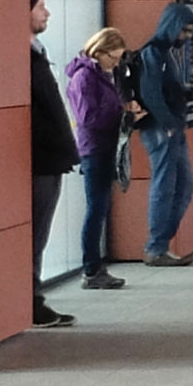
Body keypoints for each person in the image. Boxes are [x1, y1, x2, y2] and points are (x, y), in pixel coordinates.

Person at [63, 26, 140, 295]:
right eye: (114, 58)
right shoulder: (84, 77)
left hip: (106, 146)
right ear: (99, 51)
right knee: (96, 209)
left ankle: (96, 267)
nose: (117, 64)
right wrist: (121, 113)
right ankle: (92, 269)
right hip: (93, 148)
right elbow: (87, 119)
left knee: (101, 207)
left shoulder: (105, 74)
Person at [27, 0, 80, 326]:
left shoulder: (37, 54)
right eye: (40, 7)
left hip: (50, 159)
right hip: (41, 160)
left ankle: (32, 297)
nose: (47, 13)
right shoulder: (25, 59)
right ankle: (31, 300)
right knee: (34, 234)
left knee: (39, 233)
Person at [135, 1, 193, 266]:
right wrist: (169, 123)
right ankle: (156, 246)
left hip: (172, 125)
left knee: (184, 185)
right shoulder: (153, 54)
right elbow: (151, 93)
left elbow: (165, 91)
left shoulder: (165, 54)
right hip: (163, 129)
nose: (186, 37)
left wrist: (189, 92)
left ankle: (160, 243)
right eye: (184, 31)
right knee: (165, 186)